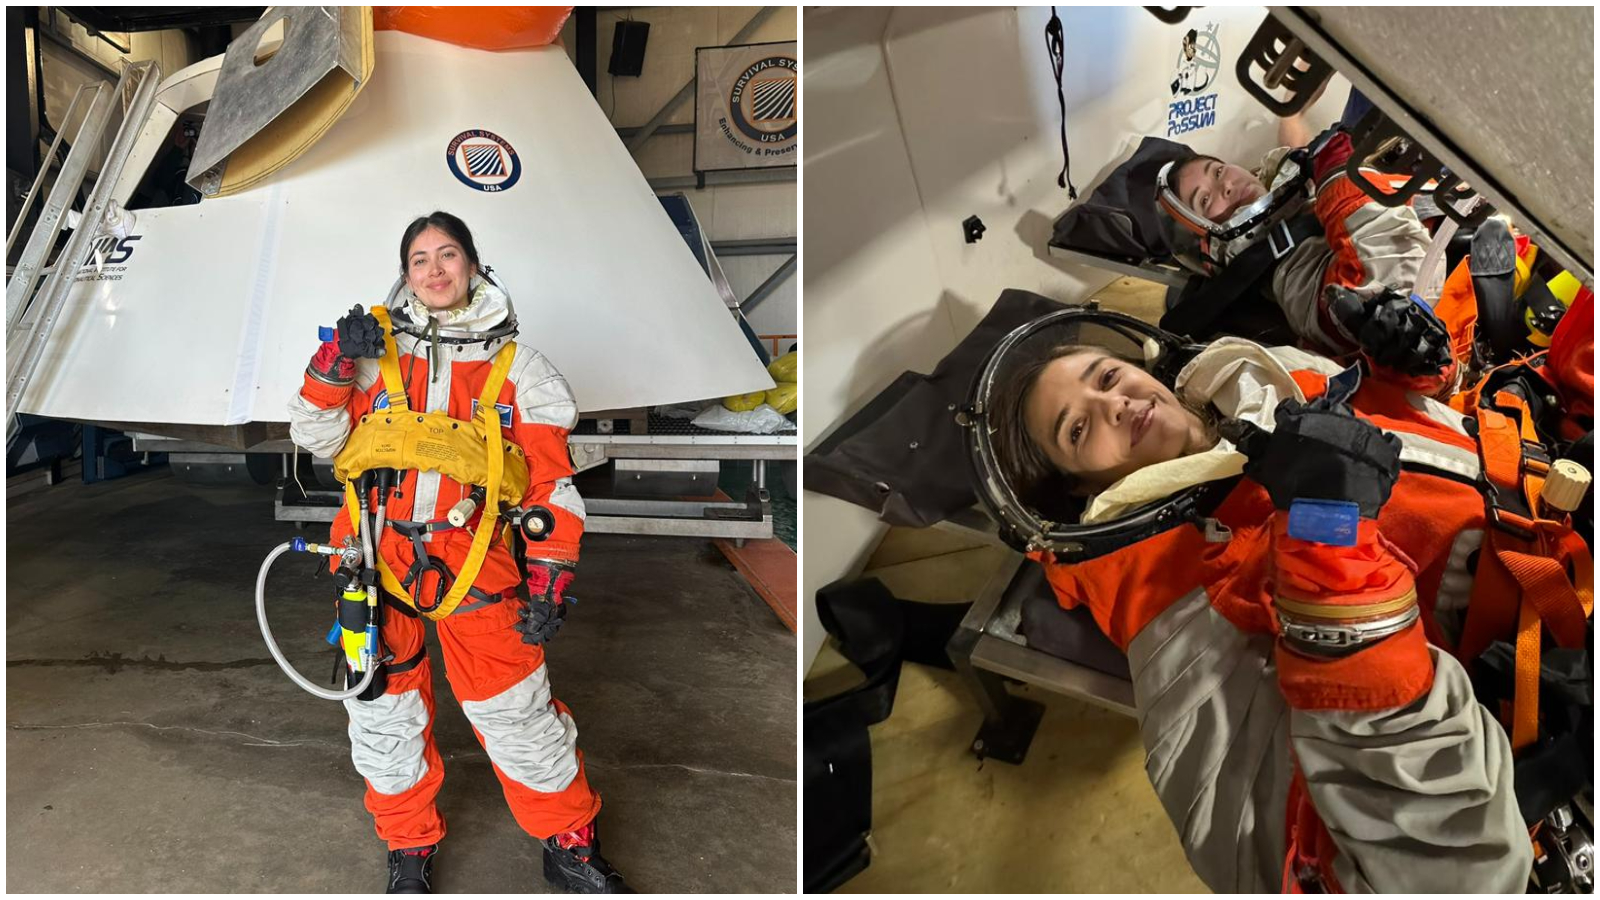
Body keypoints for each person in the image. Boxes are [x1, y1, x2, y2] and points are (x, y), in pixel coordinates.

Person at [966, 299, 1593, 892]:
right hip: (1552, 675)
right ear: (1079, 494)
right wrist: (1332, 561)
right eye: (1077, 429)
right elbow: (1440, 874)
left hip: (1563, 507)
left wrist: (1420, 372)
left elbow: (1433, 444)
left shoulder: (1263, 382)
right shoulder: (1175, 620)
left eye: (1105, 376)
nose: (1115, 403)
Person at [288, 211, 631, 894]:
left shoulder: (521, 372)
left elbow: (550, 485)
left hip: (478, 564)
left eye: (448, 255)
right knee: (383, 716)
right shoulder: (370, 357)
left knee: (519, 714)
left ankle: (568, 843)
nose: (435, 270)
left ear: (473, 265)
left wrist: (551, 572)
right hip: (373, 563)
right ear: (406, 272)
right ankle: (407, 848)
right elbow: (313, 433)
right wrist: (332, 363)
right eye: (420, 259)